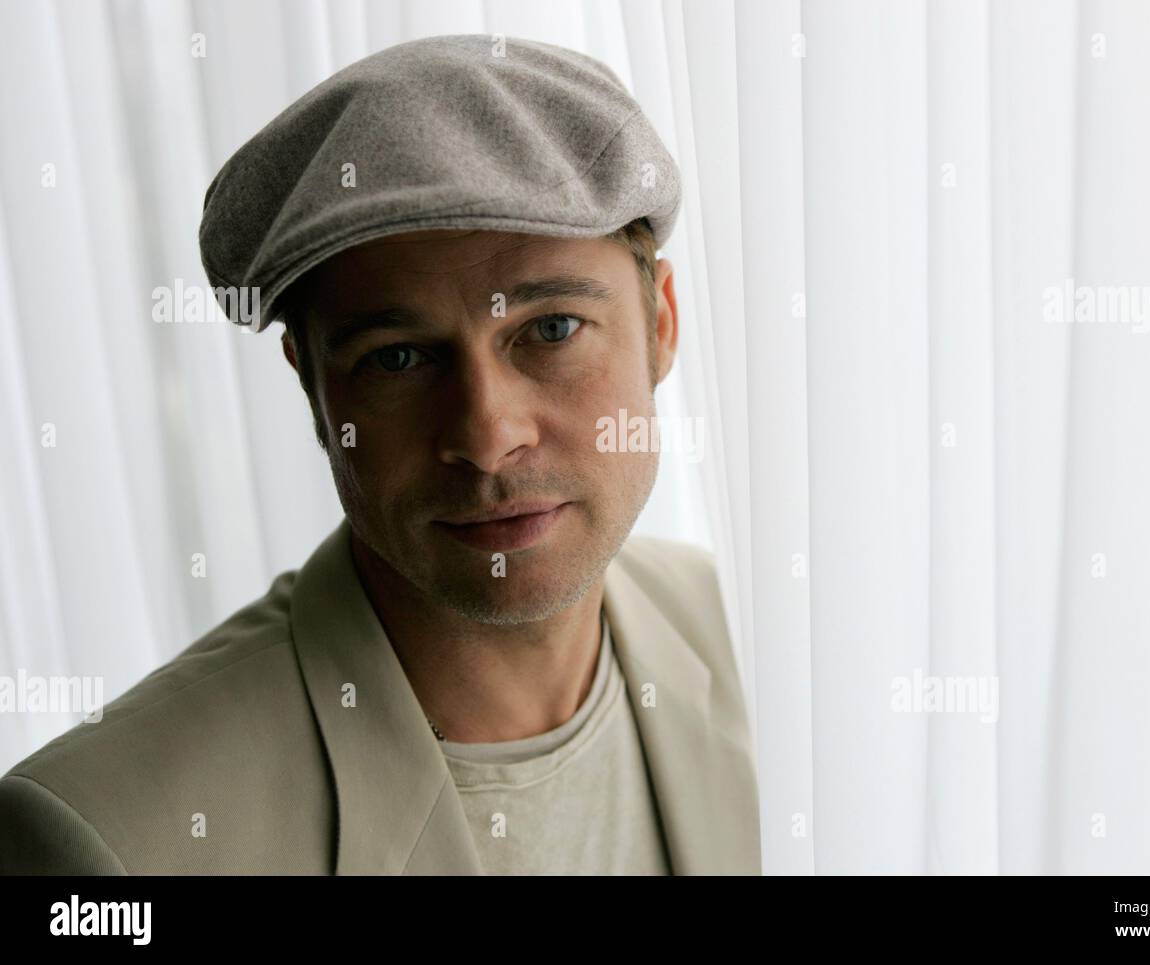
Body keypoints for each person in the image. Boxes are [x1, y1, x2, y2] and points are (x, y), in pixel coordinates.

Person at [0, 34, 759, 875]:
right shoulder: (111, 839)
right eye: (397, 357)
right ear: (313, 388)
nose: (486, 434)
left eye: (549, 330)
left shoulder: (759, 641)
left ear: (660, 325)